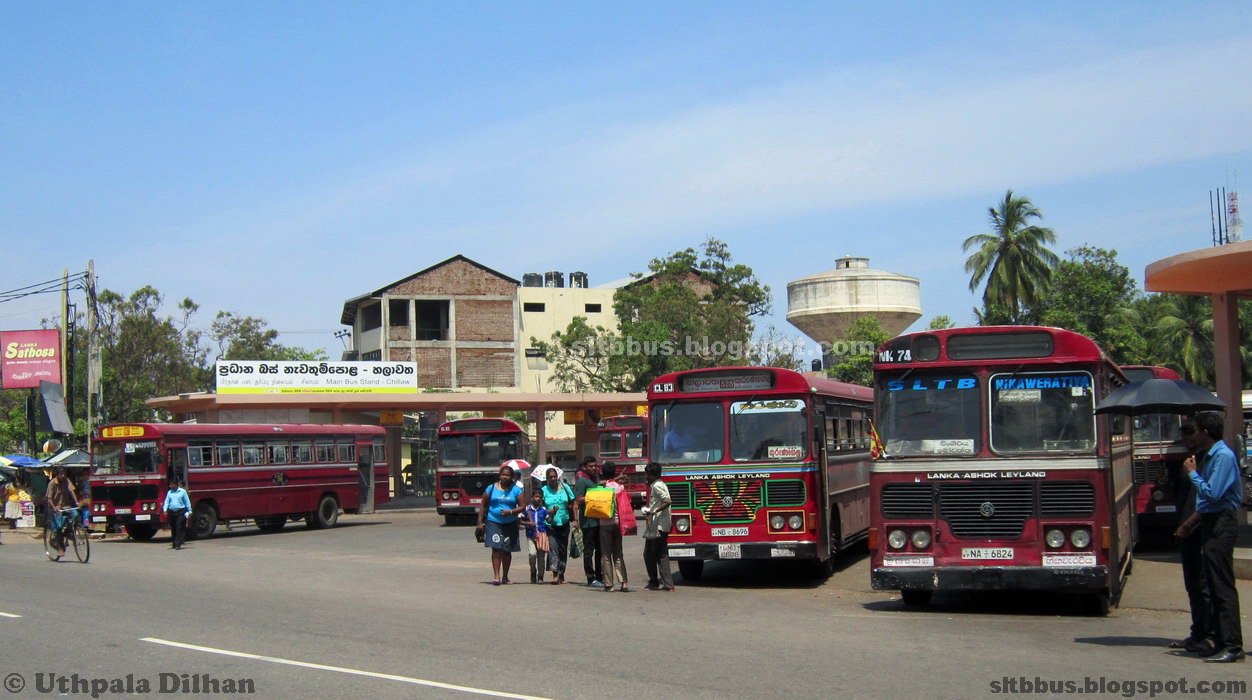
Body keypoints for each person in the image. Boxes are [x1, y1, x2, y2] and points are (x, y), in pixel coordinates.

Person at [1176, 413, 1245, 663]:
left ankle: (1233, 645)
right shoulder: (1214, 456)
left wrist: (1193, 474)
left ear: (1205, 432)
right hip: (1211, 523)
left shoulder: (1223, 456)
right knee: (1214, 586)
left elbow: (1213, 493)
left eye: (1197, 431)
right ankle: (1218, 640)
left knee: (1223, 587)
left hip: (1222, 523)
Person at [1170, 421, 1214, 654]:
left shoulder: (1208, 459)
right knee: (1193, 585)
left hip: (1199, 530)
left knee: (1203, 584)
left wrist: (1189, 524)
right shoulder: (1189, 460)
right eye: (1183, 433)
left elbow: (1209, 498)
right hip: (1186, 530)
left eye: (1190, 432)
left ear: (1203, 433)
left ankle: (1208, 635)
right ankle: (1197, 633)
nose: (1186, 437)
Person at [476, 461, 526, 585]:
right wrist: (479, 522)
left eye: (507, 475)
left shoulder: (516, 490)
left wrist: (511, 512)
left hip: (510, 523)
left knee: (507, 550)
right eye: (503, 474)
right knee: (496, 548)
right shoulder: (491, 488)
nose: (504, 477)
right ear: (500, 475)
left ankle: (505, 576)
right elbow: (483, 505)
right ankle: (496, 576)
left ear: (512, 477)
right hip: (493, 521)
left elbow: (522, 506)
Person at [596, 463, 637, 592]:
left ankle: (609, 584)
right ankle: (623, 582)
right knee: (618, 553)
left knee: (606, 554)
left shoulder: (601, 487)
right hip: (618, 523)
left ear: (603, 472)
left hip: (604, 523)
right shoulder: (620, 487)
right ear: (615, 472)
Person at [540, 466, 577, 584]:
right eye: (550, 477)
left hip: (564, 522)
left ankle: (562, 573)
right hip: (550, 524)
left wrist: (576, 519)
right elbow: (540, 507)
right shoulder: (544, 490)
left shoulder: (565, 487)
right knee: (553, 548)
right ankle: (555, 574)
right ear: (546, 479)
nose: (553, 479)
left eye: (555, 476)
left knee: (563, 549)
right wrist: (548, 512)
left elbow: (573, 502)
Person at [641, 462, 674, 591]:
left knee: (649, 554)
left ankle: (654, 582)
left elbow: (667, 501)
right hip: (662, 524)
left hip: (658, 525)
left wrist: (654, 511)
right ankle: (668, 584)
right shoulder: (658, 484)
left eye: (647, 474)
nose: (646, 477)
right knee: (662, 554)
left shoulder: (657, 486)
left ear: (654, 475)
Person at [573, 457, 604, 587]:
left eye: (594, 466)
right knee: (588, 551)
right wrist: (593, 495)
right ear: (584, 467)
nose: (593, 468)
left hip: (598, 520)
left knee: (600, 550)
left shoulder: (594, 479)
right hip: (587, 522)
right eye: (590, 466)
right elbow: (578, 500)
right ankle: (590, 578)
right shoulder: (582, 481)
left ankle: (599, 576)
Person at [45, 468, 79, 557]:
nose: (63, 476)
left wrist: (76, 501)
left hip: (65, 506)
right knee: (58, 528)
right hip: (54, 508)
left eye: (64, 474)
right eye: (61, 474)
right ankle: (60, 549)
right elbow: (49, 498)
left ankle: (70, 532)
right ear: (57, 474)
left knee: (76, 515)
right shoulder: (52, 483)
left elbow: (71, 491)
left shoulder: (66, 481)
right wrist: (54, 507)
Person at [520, 489, 549, 584]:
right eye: (536, 497)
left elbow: (549, 520)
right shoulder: (526, 509)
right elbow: (519, 521)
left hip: (542, 536)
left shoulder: (543, 510)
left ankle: (541, 576)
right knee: (532, 554)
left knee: (541, 557)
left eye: (540, 497)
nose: (538, 499)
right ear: (532, 498)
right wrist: (527, 523)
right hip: (531, 535)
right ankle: (533, 572)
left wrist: (553, 514)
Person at [163, 477, 192, 550]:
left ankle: (178, 544)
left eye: (172, 484)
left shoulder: (182, 492)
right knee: (173, 527)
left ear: (176, 485)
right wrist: (165, 509)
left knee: (179, 526)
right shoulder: (169, 492)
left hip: (181, 512)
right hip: (172, 512)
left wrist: (189, 511)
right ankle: (174, 543)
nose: (170, 486)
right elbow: (167, 501)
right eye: (170, 485)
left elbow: (187, 501)